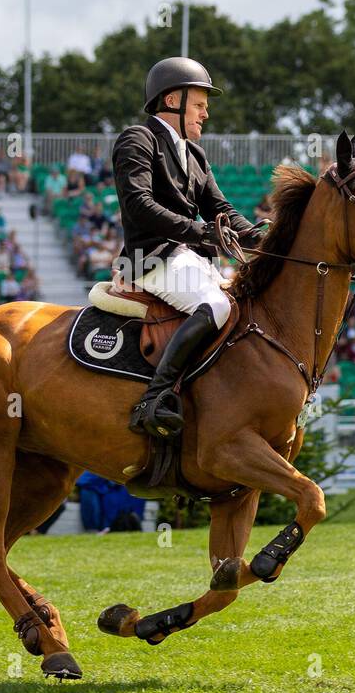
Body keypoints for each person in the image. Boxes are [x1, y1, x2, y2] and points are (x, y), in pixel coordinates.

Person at [111, 57, 267, 440]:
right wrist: (200, 233)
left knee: (244, 306)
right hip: (149, 259)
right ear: (171, 101)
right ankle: (154, 399)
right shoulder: (138, 139)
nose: (205, 114)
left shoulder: (195, 155)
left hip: (188, 259)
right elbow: (139, 204)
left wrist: (261, 240)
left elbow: (221, 210)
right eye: (199, 105)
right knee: (216, 305)